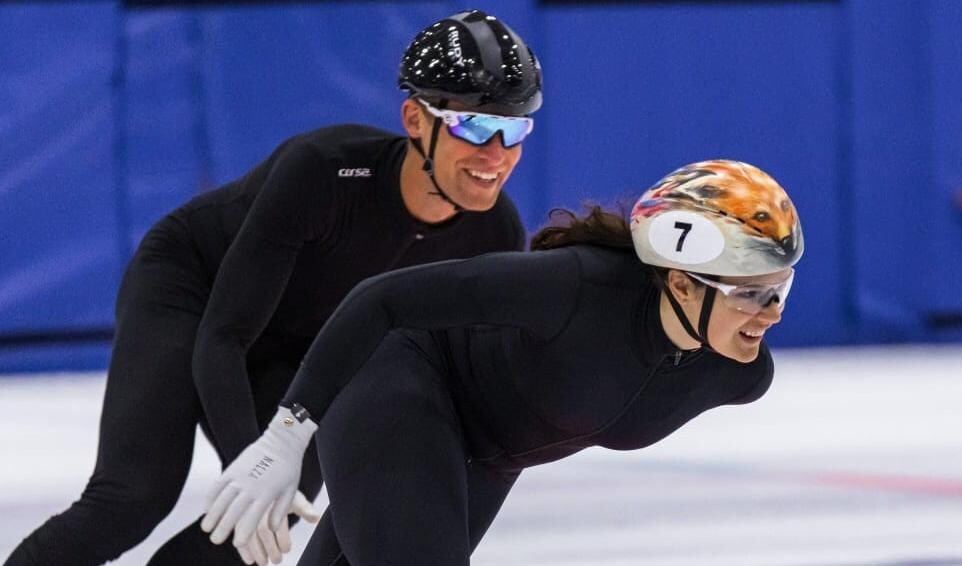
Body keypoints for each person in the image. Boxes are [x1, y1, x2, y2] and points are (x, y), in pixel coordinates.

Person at [6, 9, 541, 566]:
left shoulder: (495, 232)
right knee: (133, 496)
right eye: (476, 127)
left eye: (517, 128)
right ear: (414, 118)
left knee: (266, 516)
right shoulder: (325, 172)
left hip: (294, 343)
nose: (497, 154)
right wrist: (251, 459)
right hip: (193, 291)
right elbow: (224, 335)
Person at [199, 159, 805, 565]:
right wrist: (285, 437)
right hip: (399, 378)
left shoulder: (738, 373)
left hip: (487, 456)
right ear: (680, 283)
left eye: (781, 288)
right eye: (751, 293)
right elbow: (379, 299)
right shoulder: (579, 288)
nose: (772, 313)